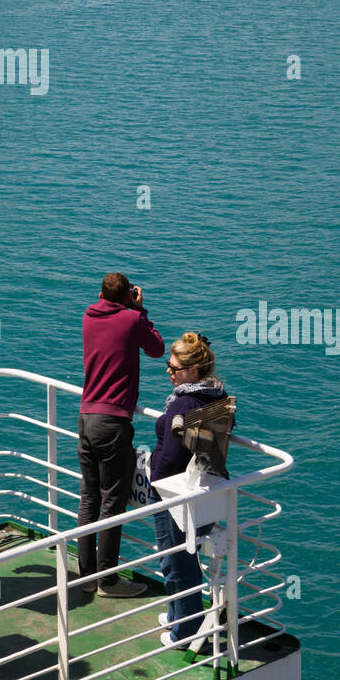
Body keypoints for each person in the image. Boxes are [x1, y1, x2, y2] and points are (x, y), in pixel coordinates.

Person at [77, 273, 165, 597]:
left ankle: (85, 576)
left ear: (101, 294)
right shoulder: (131, 319)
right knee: (112, 503)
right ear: (128, 296)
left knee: (89, 498)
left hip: (86, 416)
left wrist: (128, 303)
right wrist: (140, 310)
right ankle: (108, 581)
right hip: (113, 422)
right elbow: (157, 348)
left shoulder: (89, 315)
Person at [150, 331, 229, 647]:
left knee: (176, 562)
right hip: (206, 489)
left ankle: (185, 632)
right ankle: (177, 615)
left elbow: (170, 455)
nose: (168, 372)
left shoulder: (183, 402)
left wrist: (153, 480)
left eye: (174, 368)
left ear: (193, 371)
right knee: (183, 558)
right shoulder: (216, 396)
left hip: (175, 494)